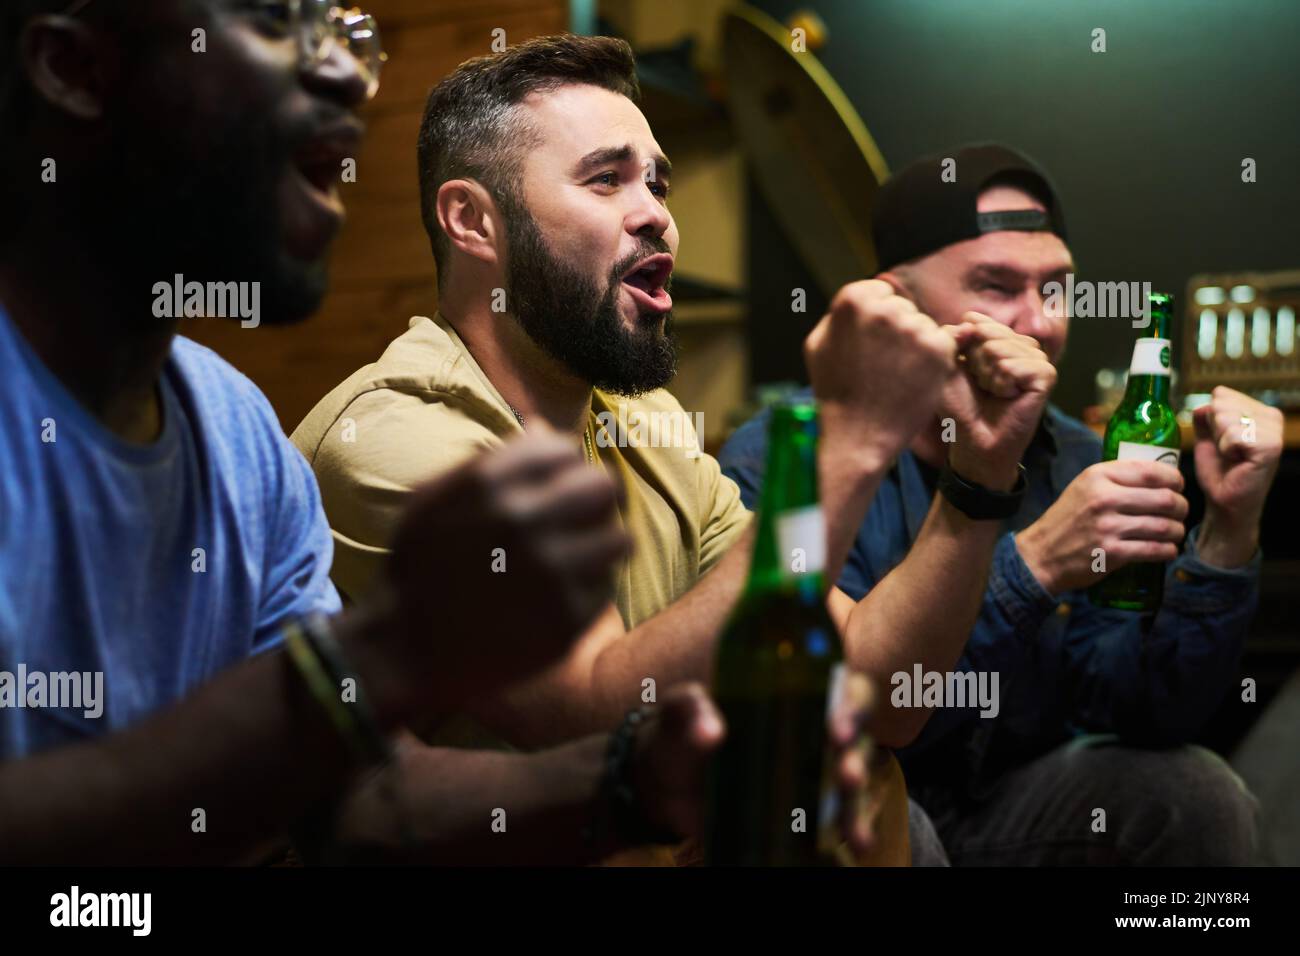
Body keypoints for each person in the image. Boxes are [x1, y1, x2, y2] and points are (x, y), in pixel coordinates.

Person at [0, 0, 879, 866]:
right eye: (273, 20)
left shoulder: (240, 436)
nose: (349, 73)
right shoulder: (380, 435)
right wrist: (393, 649)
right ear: (74, 69)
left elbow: (356, 800)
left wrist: (637, 784)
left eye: (343, 29)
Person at [293, 35, 1056, 863]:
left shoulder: (646, 426)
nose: (657, 209)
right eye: (606, 178)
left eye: (657, 179)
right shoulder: (400, 436)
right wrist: (849, 438)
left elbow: (880, 690)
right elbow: (591, 719)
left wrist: (978, 484)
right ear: (474, 221)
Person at [719, 143, 1281, 865]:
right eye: (996, 285)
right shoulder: (790, 457)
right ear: (897, 303)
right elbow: (845, 717)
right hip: (851, 806)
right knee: (899, 826)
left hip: (1006, 805)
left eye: (1056, 287)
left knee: (1197, 796)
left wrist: (1229, 533)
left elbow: (1137, 709)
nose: (1040, 322)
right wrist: (1038, 563)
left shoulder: (1077, 456)